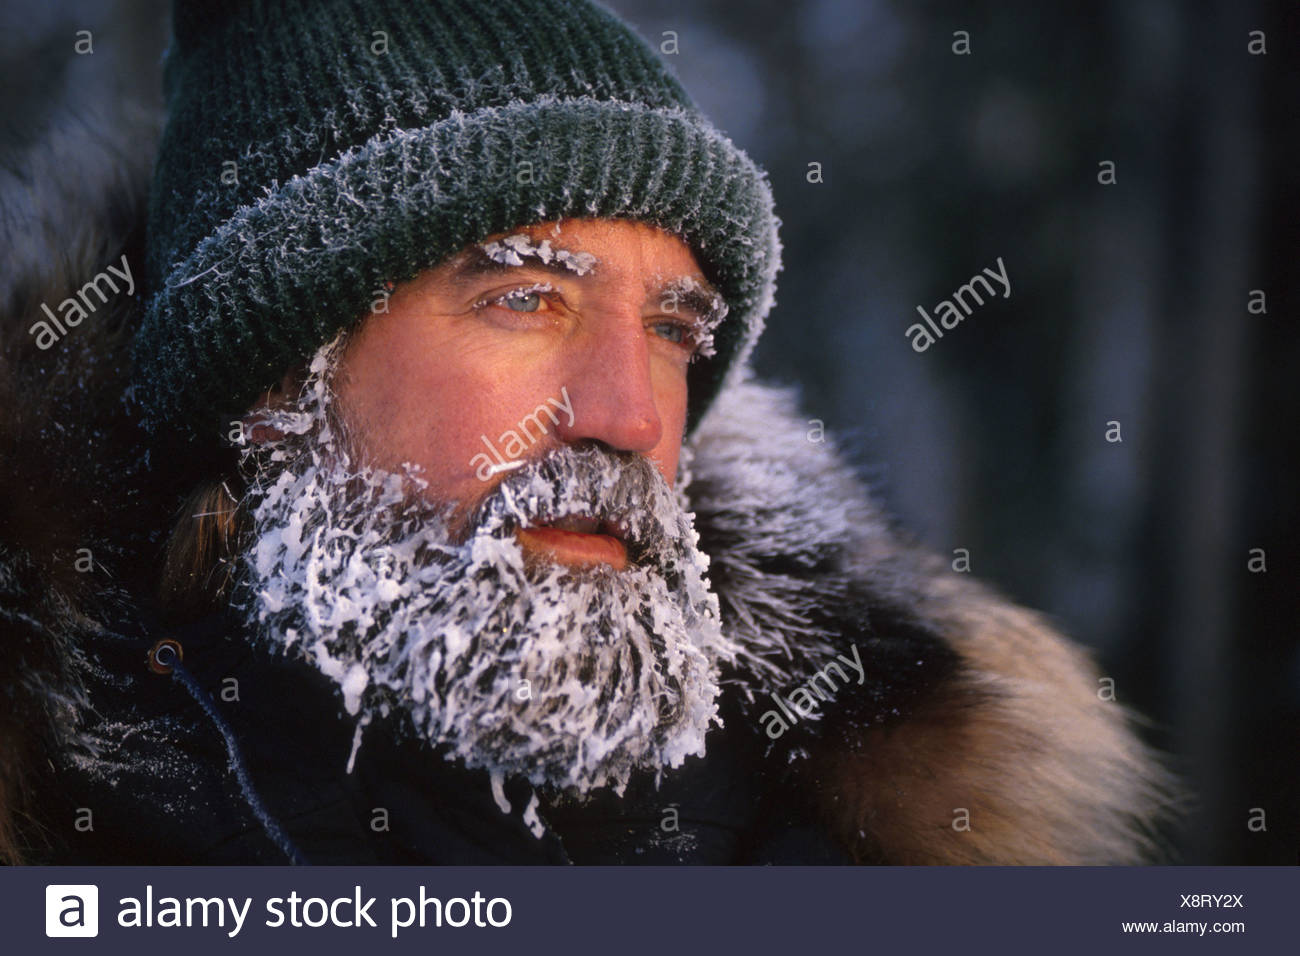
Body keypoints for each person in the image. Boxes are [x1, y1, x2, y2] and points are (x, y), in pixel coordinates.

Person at [1, 0, 1176, 865]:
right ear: (270, 381)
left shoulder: (881, 824)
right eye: (525, 299)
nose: (625, 415)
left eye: (673, 328)